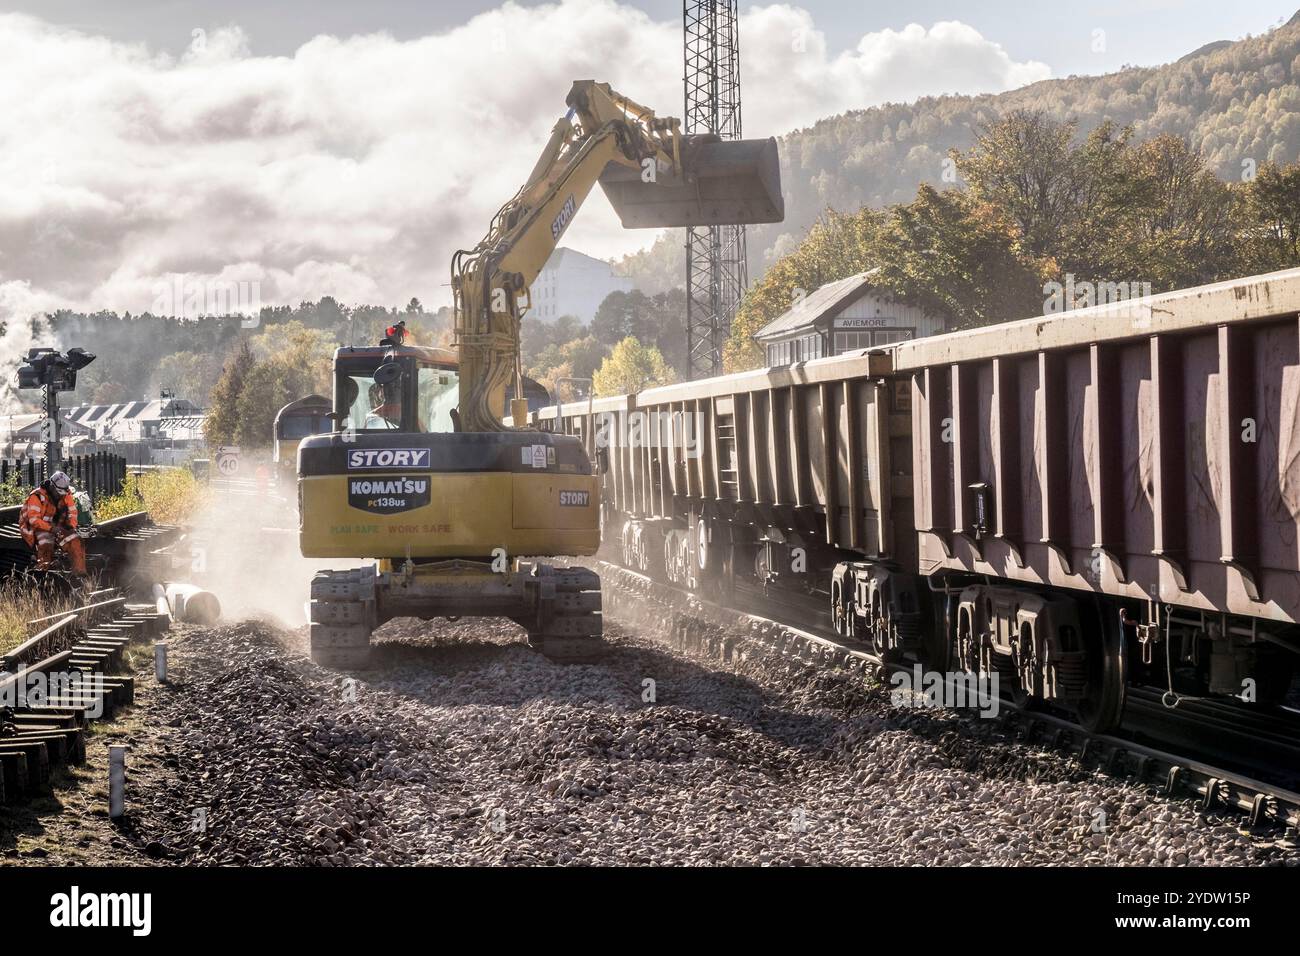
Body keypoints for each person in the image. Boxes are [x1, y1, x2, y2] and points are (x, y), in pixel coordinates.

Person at [18, 470, 87, 575]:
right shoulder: (36, 496)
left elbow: (72, 513)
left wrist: (70, 527)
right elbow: (33, 520)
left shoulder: (65, 494)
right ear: (51, 486)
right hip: (33, 527)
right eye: (59, 493)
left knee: (76, 541)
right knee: (46, 544)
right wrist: (52, 529)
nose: (60, 496)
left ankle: (80, 575)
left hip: (55, 526)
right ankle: (42, 575)